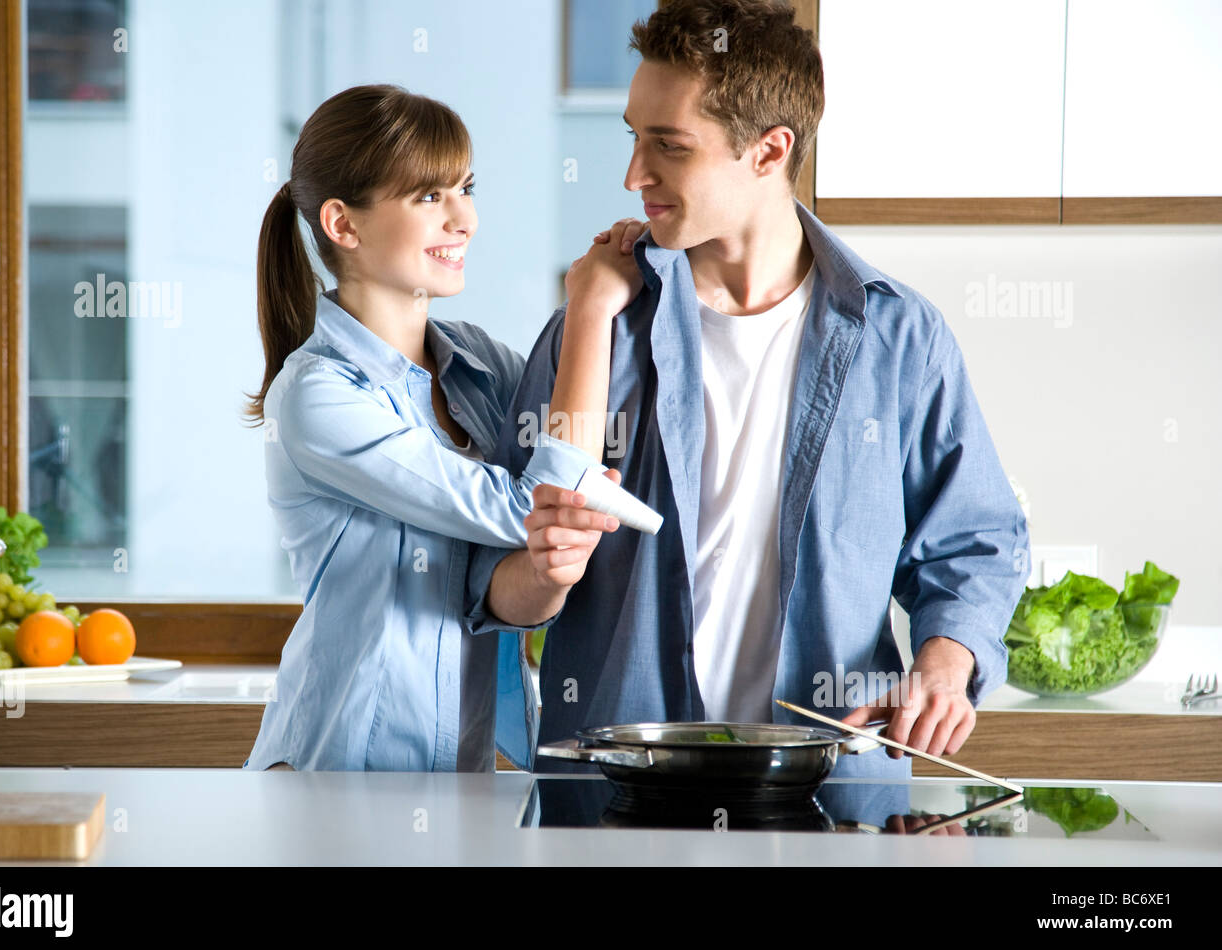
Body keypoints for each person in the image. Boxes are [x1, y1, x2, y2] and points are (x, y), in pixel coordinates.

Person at [465, 0, 1031, 778]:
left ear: (769, 151)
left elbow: (975, 540)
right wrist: (540, 565)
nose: (634, 175)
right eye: (634, 138)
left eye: (669, 146)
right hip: (622, 798)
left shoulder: (900, 337)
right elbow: (494, 572)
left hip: (831, 797)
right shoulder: (596, 329)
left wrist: (944, 661)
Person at [240, 84, 640, 771]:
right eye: (430, 197)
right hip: (336, 775)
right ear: (343, 224)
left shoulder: (479, 361)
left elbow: (586, 453)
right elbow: (529, 506)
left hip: (460, 773)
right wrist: (591, 307)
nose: (465, 219)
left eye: (466, 187)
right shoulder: (317, 396)